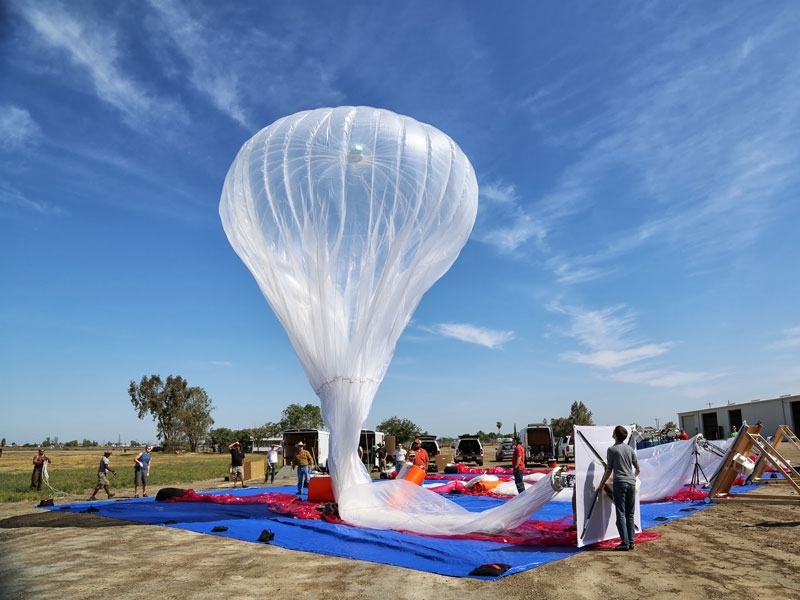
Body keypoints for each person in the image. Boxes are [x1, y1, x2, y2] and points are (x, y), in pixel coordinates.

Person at [597, 425, 641, 551]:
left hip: (620, 483)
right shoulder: (630, 449)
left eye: (613, 432)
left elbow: (609, 469)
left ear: (615, 435)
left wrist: (601, 484)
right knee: (630, 514)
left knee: (620, 513)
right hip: (631, 484)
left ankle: (624, 542)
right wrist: (632, 478)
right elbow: (638, 469)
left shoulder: (612, 450)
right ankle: (631, 541)